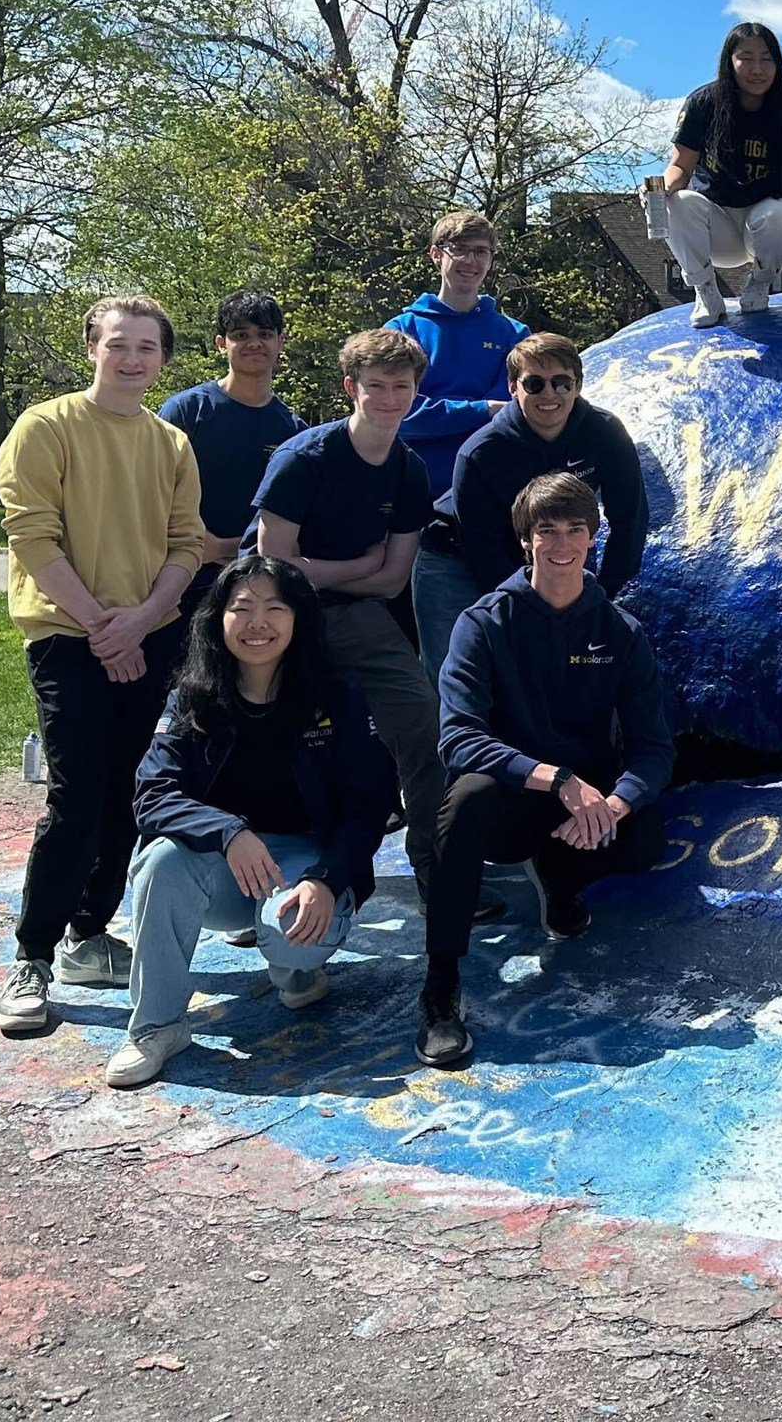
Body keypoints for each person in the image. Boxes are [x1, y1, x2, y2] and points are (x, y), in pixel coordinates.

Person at [0, 297, 204, 1038]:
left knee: (129, 797)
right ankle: (33, 957)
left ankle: (90, 935)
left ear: (164, 359)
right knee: (77, 797)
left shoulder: (171, 443)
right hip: (65, 635)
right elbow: (32, 537)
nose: (133, 359)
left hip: (148, 634)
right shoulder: (44, 428)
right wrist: (100, 628)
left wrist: (140, 622)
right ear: (92, 347)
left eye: (147, 347)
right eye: (119, 344)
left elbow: (187, 547)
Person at [418, 472, 675, 1068]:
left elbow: (652, 747)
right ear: (526, 541)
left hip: (587, 802)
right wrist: (554, 778)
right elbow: (457, 738)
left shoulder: (619, 631)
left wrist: (616, 803)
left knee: (644, 836)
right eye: (547, 531)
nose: (562, 544)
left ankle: (560, 880)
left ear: (593, 538)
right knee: (462, 805)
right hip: (514, 788)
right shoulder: (483, 623)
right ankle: (439, 987)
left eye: (575, 530)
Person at [107, 557, 395, 1086]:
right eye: (241, 609)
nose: (257, 624)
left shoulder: (338, 697)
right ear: (218, 619)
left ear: (298, 619)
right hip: (223, 864)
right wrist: (228, 831)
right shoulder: (192, 697)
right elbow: (151, 793)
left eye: (274, 609)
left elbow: (368, 804)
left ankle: (297, 972)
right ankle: (157, 1026)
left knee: (291, 935)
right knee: (160, 862)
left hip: (303, 864)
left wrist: (329, 879)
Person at [253, 329, 446, 905]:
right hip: (271, 612)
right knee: (265, 733)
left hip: (355, 612)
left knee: (424, 720)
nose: (388, 399)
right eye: (376, 386)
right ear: (350, 389)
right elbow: (271, 567)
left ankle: (439, 869)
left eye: (401, 387)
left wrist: (326, 569)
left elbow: (391, 577)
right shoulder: (304, 459)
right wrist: (353, 563)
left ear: (416, 392)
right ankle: (253, 884)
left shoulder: (409, 471)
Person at [410, 332, 648, 683]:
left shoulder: (605, 433)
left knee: (557, 678)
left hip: (551, 549)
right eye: (534, 384)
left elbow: (630, 520)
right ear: (512, 387)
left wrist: (601, 595)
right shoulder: (482, 452)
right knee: (459, 680)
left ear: (578, 385)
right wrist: (531, 605)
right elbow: (481, 547)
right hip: (456, 561)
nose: (549, 394)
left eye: (561, 383)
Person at [665, 22, 782, 329]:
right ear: (729, 61)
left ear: (777, 66)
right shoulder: (703, 103)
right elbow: (680, 168)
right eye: (746, 58)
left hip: (761, 231)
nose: (757, 69)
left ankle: (759, 285)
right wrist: (661, 189)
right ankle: (706, 292)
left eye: (766, 59)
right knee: (678, 201)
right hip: (716, 228)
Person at [159, 290, 306, 614]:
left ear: (280, 342)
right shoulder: (187, 412)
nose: (254, 343)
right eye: (241, 335)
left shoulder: (294, 431)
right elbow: (150, 494)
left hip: (259, 587)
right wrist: (197, 545)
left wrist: (225, 548)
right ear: (221, 343)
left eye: (265, 334)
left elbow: (297, 521)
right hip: (181, 584)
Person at [383, 210, 532, 498]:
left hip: (492, 486)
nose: (470, 261)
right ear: (436, 255)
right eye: (459, 250)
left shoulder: (514, 336)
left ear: (490, 260)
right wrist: (482, 409)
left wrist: (440, 415)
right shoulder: (402, 330)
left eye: (480, 252)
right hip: (414, 489)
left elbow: (516, 412)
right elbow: (397, 413)